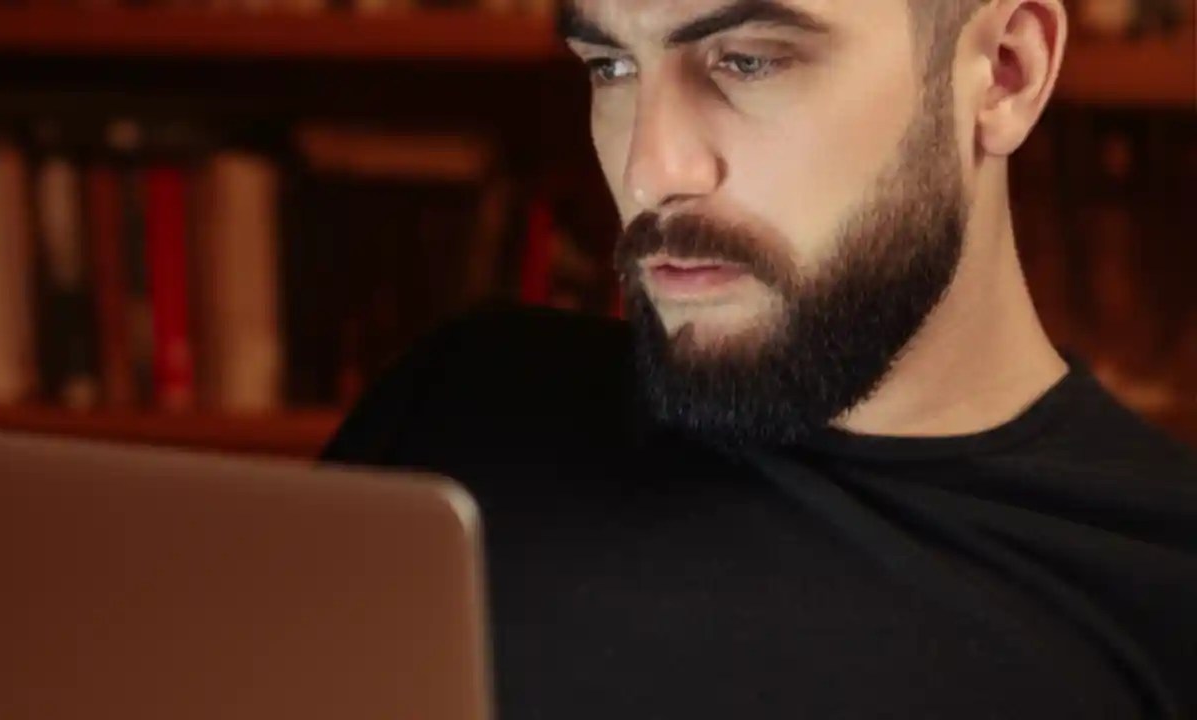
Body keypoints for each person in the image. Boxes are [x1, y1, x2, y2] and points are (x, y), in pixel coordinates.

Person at [322, 1, 1197, 717]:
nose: (649, 170)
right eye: (610, 67)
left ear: (1005, 72)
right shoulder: (463, 408)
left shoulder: (1166, 582)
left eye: (748, 60)